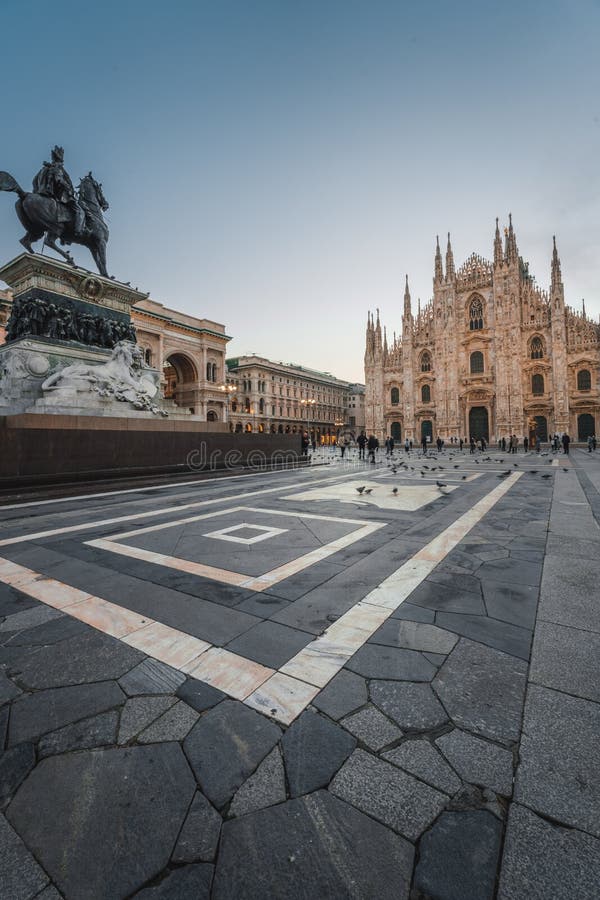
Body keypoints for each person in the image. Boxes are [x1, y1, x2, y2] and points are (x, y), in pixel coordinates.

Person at [32, 146, 86, 237]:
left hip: (49, 194)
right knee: (80, 211)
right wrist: (69, 188)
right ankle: (78, 231)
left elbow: (34, 181)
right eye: (62, 161)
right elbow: (59, 180)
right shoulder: (58, 168)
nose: (62, 163)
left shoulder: (45, 168)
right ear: (60, 159)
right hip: (63, 197)